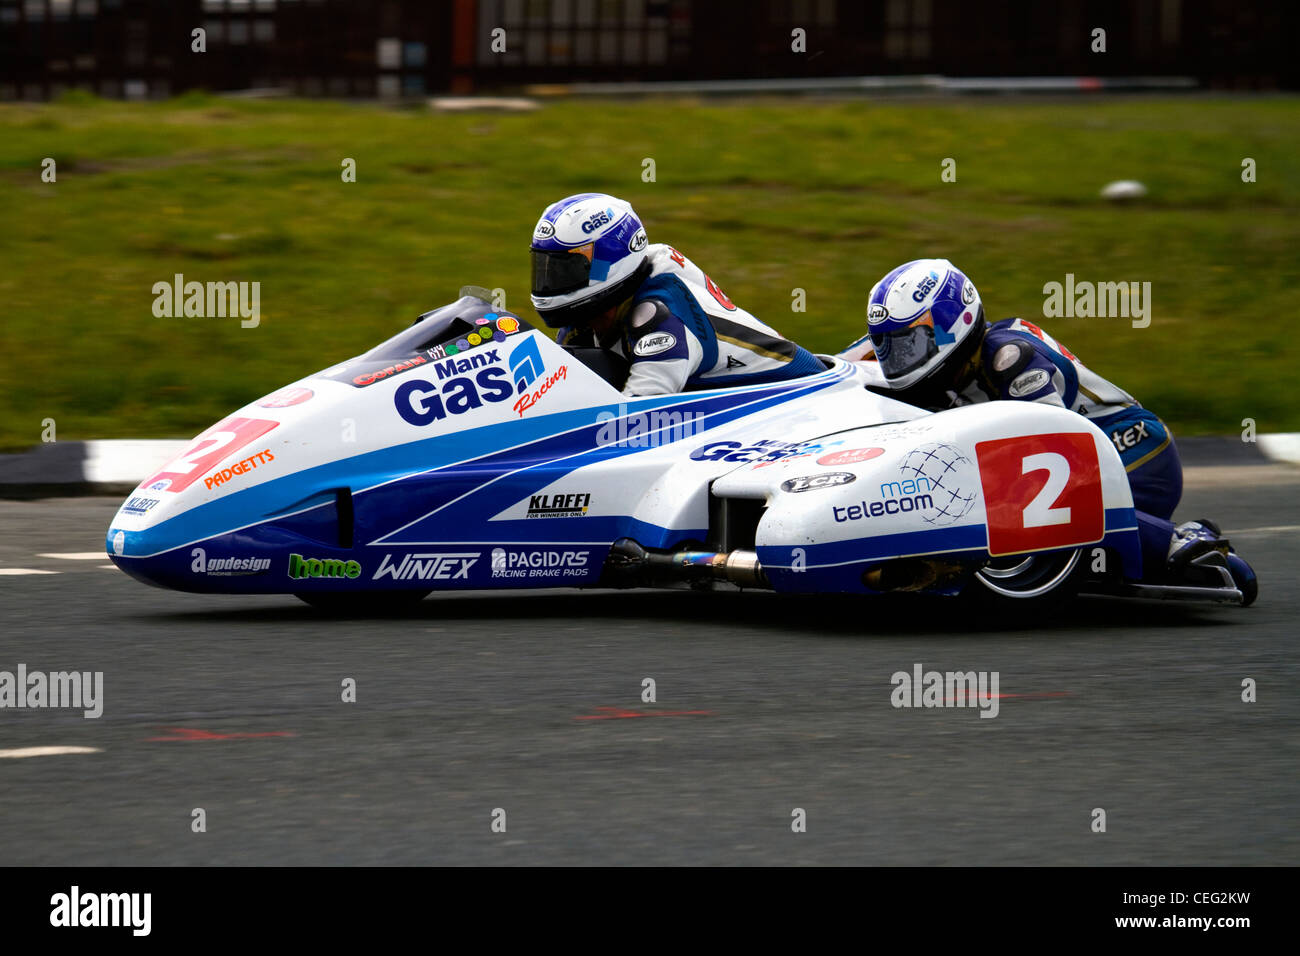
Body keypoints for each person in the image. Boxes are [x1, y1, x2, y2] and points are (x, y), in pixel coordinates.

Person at [854, 257, 1228, 583]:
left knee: (1020, 489)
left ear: (953, 323)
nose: (897, 360)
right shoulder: (948, 368)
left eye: (909, 345)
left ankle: (1181, 545)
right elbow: (845, 367)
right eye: (891, 348)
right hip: (1086, 459)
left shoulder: (1008, 356)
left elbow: (1054, 447)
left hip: (1133, 450)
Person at [529, 192, 823, 396]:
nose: (551, 281)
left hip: (801, 398)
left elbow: (637, 419)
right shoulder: (585, 317)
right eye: (545, 267)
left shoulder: (661, 319)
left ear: (609, 262)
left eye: (565, 269)